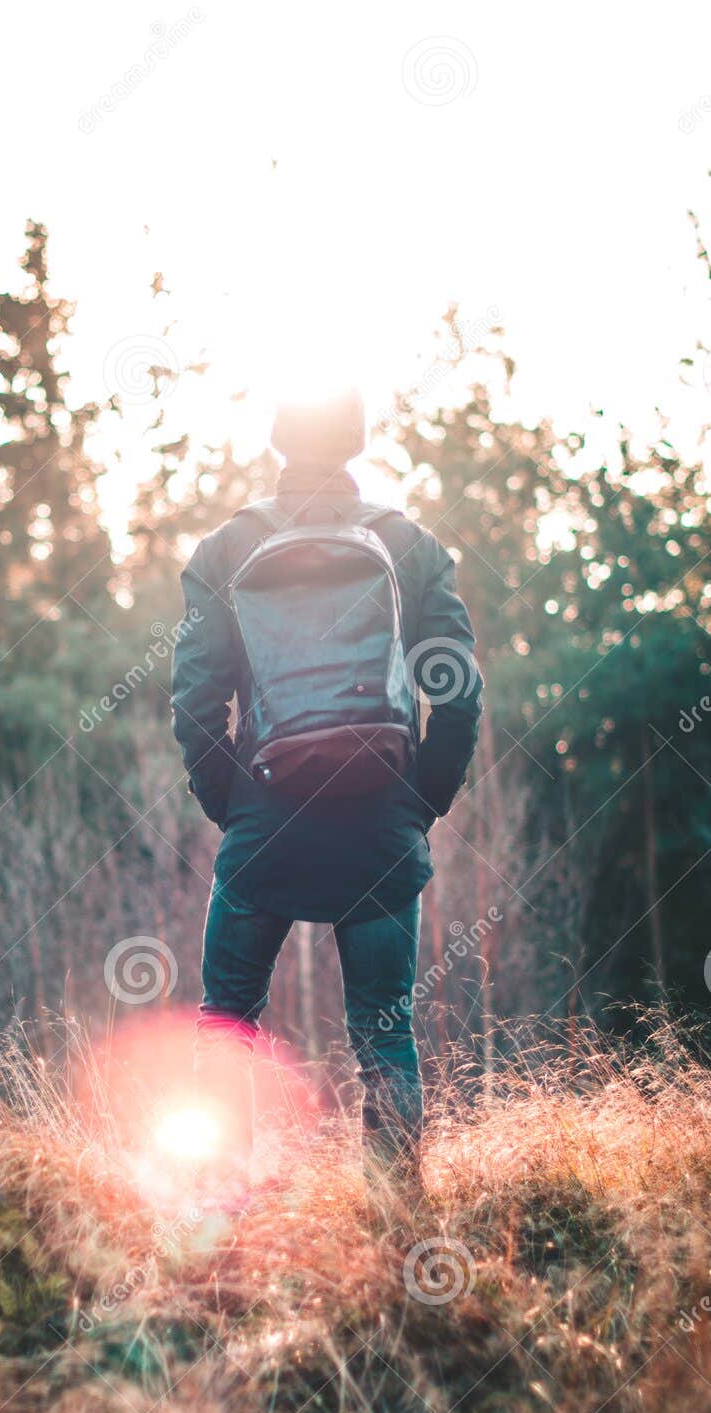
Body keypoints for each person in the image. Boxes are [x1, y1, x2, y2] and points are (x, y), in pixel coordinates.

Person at [171, 388, 482, 1195]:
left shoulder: (224, 548)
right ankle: (398, 1224)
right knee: (383, 1030)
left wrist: (235, 806)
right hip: (380, 820)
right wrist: (419, 806)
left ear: (278, 443)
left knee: (227, 1021)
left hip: (264, 819)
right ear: (355, 443)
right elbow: (455, 690)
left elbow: (196, 704)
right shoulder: (407, 543)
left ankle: (215, 1216)